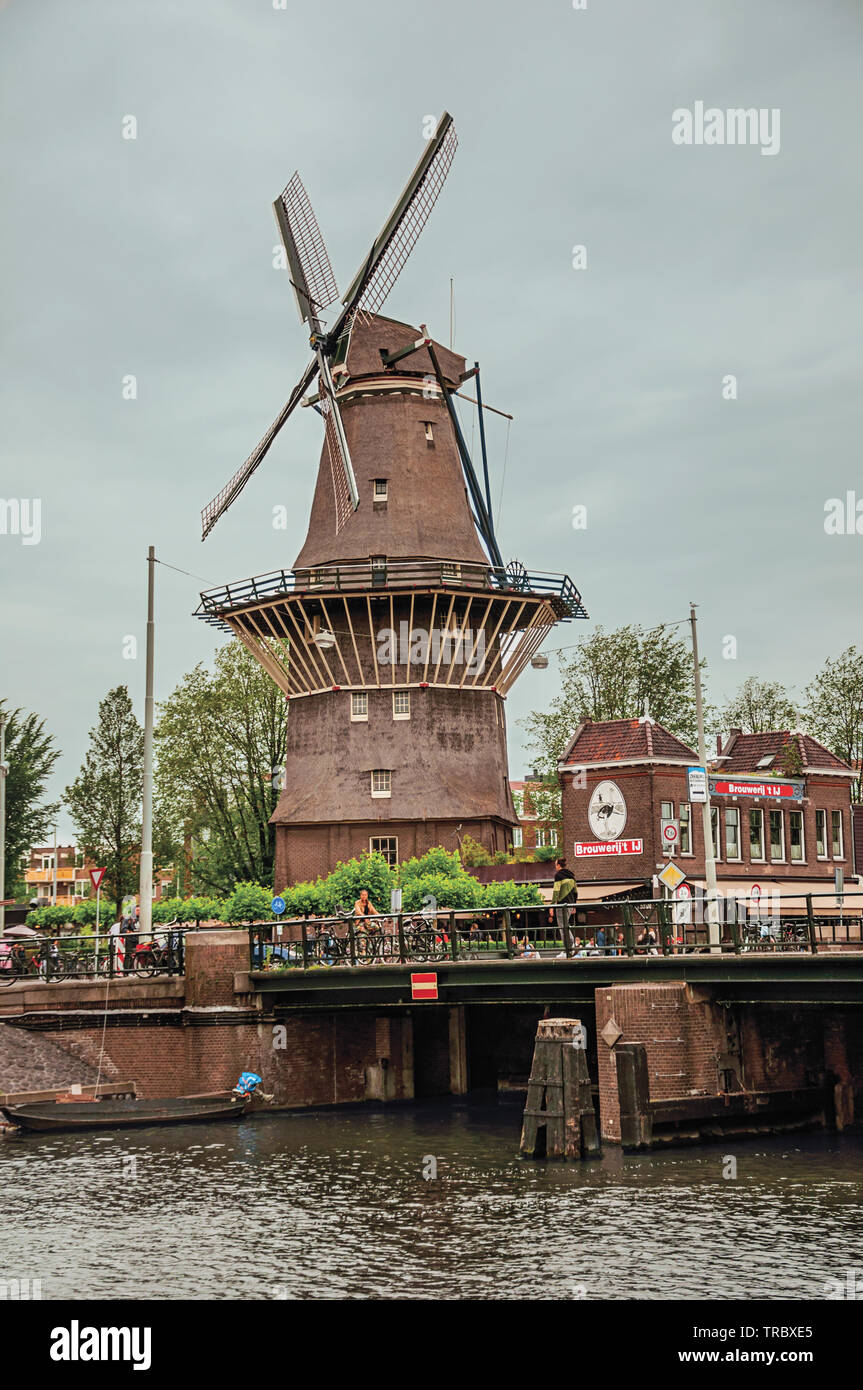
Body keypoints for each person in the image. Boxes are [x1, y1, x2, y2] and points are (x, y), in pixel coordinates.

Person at [549, 857, 578, 951]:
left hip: (561, 905)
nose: (555, 867)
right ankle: (570, 947)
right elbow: (575, 892)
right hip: (570, 904)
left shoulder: (558, 875)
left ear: (558, 865)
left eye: (555, 865)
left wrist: (552, 905)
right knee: (566, 925)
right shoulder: (572, 876)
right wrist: (574, 905)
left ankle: (569, 948)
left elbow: (556, 891)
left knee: (562, 926)